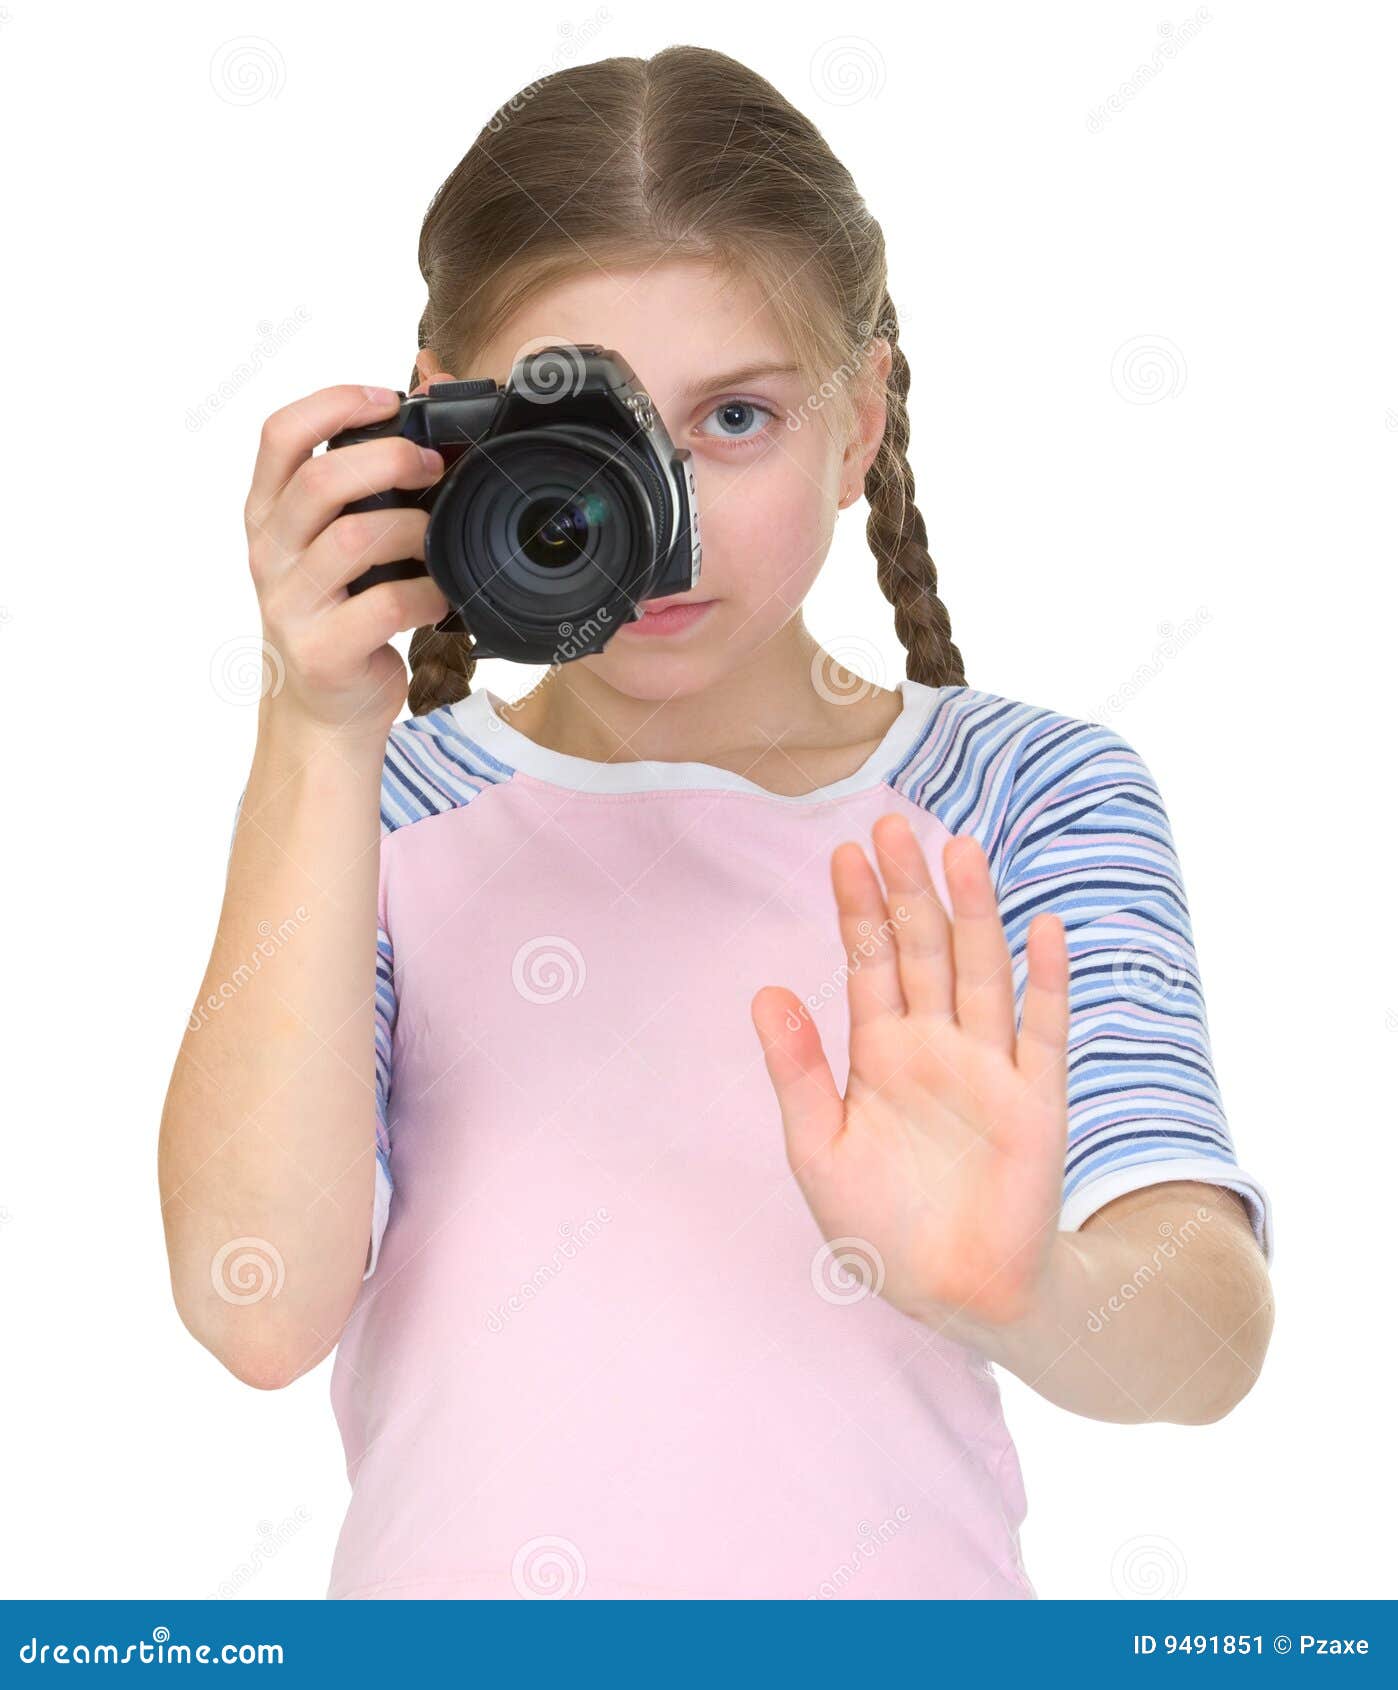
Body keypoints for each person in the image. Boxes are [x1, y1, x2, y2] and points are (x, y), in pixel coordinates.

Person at [158, 45, 1275, 1601]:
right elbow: (254, 1309)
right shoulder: (377, 807)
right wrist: (315, 722)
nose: (655, 513)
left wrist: (1022, 1284)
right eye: (589, 432)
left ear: (860, 417)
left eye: (735, 418)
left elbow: (1209, 1339)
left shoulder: (1026, 795)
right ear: (444, 431)